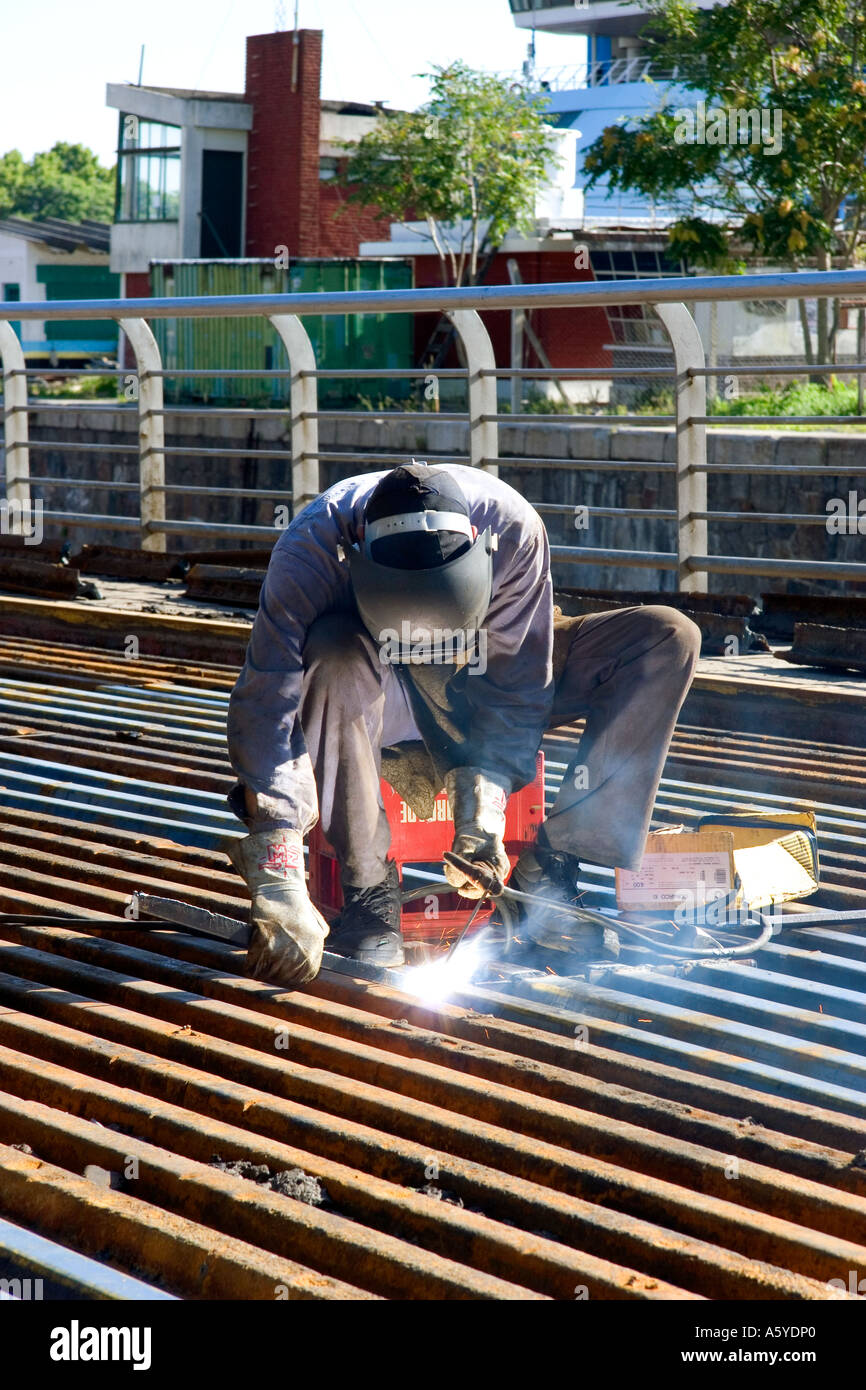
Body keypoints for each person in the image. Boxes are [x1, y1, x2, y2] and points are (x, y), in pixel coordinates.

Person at [226, 460, 701, 986]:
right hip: (374, 689)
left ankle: (552, 865)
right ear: (355, 549)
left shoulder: (514, 528)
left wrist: (482, 815)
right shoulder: (310, 550)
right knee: (333, 653)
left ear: (479, 543)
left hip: (479, 678)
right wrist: (280, 875)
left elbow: (519, 686)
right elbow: (266, 707)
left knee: (665, 638)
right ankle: (369, 892)